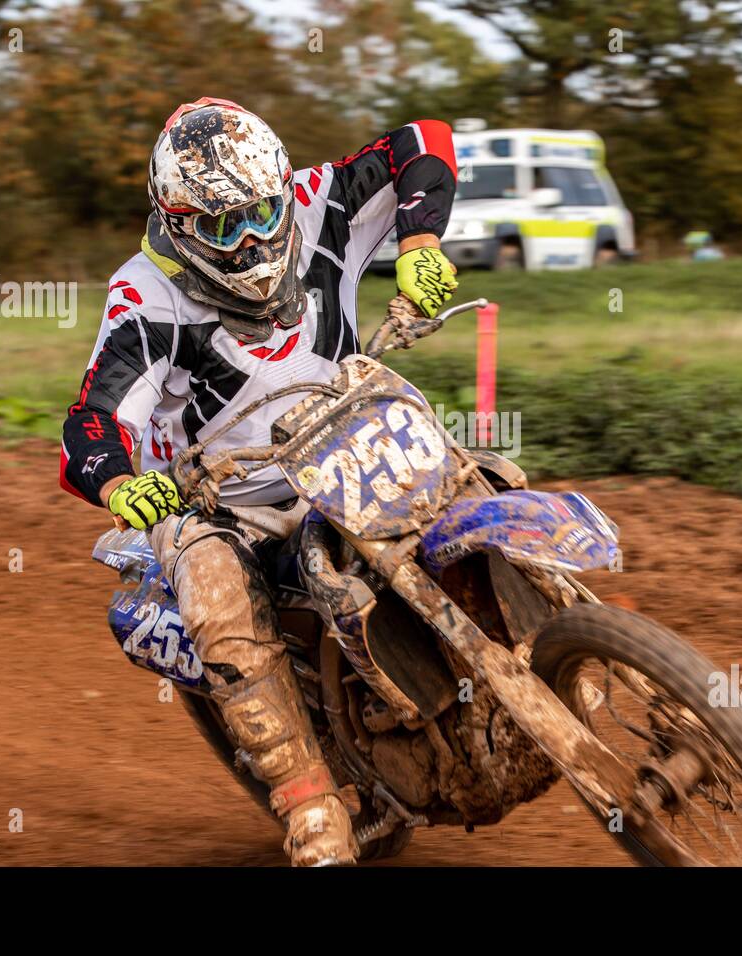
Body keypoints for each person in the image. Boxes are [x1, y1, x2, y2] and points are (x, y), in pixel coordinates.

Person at [59, 97, 458, 865]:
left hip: (348, 440)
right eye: (220, 226)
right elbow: (92, 421)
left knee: (483, 470)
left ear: (281, 190)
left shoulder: (318, 202)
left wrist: (420, 240)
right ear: (177, 225)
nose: (248, 239)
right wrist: (120, 488)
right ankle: (309, 806)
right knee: (211, 579)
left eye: (259, 213)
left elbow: (422, 140)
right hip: (225, 501)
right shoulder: (145, 297)